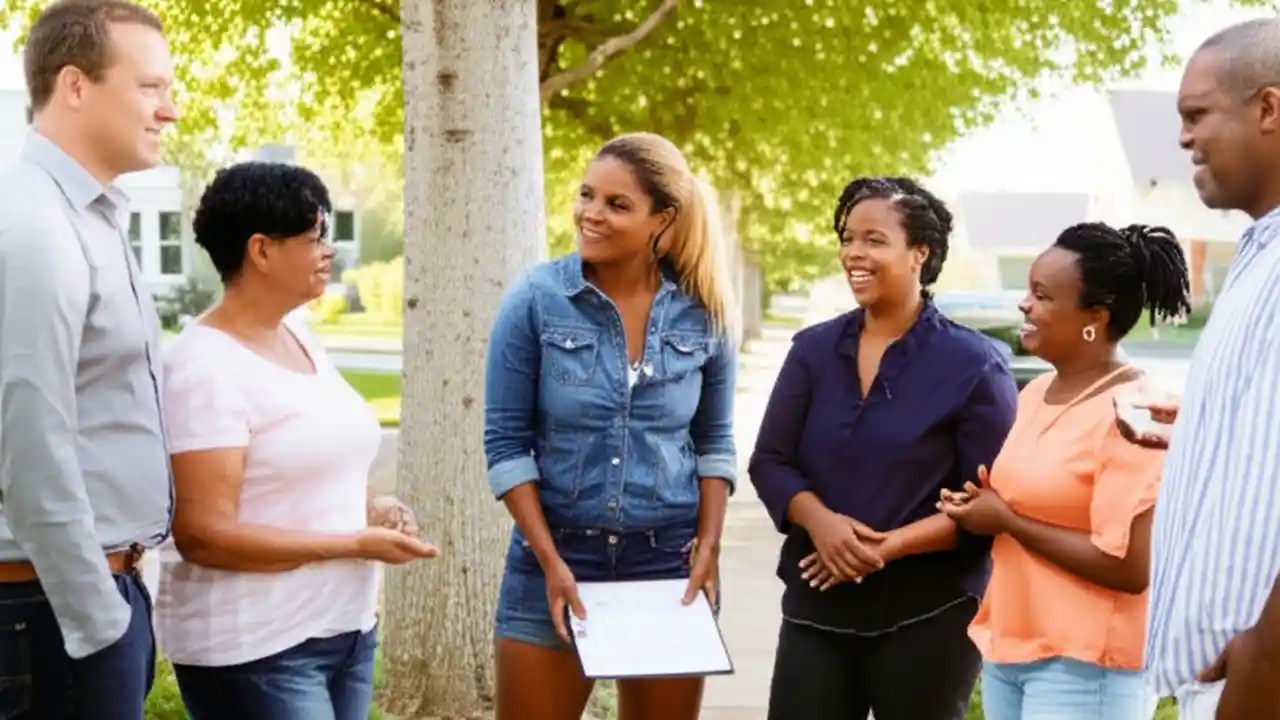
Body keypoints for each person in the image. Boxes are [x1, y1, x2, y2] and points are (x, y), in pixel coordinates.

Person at [156, 162, 437, 719]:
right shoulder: (202, 369)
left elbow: (302, 471)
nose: (329, 251)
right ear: (260, 250)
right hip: (257, 648)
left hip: (345, 631)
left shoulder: (297, 334)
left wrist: (370, 509)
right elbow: (204, 534)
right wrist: (354, 544)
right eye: (314, 238)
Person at [483, 132, 737, 720]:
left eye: (617, 204)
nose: (590, 215)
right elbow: (505, 444)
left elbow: (714, 443)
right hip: (556, 558)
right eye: (586, 195)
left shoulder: (705, 313)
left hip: (667, 566)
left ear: (662, 220)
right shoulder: (536, 299)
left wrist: (709, 545)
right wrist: (550, 561)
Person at [749, 177, 1019, 720]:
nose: (854, 253)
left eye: (874, 240)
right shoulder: (813, 351)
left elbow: (988, 504)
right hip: (816, 602)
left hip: (931, 612)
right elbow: (770, 462)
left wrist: (884, 548)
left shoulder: (975, 365)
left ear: (920, 252)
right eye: (849, 238)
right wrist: (821, 524)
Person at [0, 2, 177, 717]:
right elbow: (28, 441)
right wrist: (98, 620)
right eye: (150, 87)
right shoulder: (35, 226)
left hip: (89, 597)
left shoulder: (91, 217)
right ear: (74, 86)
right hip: (52, 608)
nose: (169, 110)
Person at [940, 222, 1191, 719]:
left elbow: (1130, 566)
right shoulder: (1036, 393)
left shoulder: (1135, 409)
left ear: (1094, 318)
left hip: (1084, 666)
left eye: (1043, 295)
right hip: (1012, 648)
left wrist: (1007, 520)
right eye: (1028, 291)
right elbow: (1034, 498)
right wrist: (982, 508)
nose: (1024, 305)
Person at [1130, 18, 1280, 719]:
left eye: (1197, 115)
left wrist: (1265, 658)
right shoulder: (1257, 258)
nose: (1185, 138)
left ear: (1269, 108)